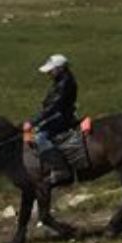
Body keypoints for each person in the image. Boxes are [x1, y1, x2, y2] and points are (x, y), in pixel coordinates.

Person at [29, 54, 78, 182]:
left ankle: (60, 169)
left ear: (60, 69)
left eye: (51, 70)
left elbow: (53, 107)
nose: (49, 73)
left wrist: (34, 121)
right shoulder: (60, 80)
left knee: (40, 137)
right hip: (57, 114)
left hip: (62, 117)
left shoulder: (65, 84)